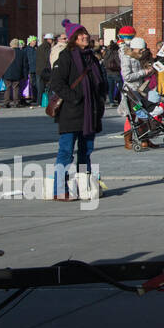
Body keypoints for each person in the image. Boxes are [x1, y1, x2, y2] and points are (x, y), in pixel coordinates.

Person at [49, 19, 107, 200]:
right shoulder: (66, 57)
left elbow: (100, 83)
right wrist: (75, 98)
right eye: (80, 34)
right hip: (71, 113)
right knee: (65, 152)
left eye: (86, 34)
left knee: (86, 152)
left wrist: (100, 100)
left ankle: (84, 187)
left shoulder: (91, 58)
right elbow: (56, 83)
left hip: (90, 114)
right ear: (73, 38)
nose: (85, 36)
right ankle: (59, 190)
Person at [2, 39, 26, 107]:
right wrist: (24, 74)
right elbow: (24, 65)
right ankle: (16, 102)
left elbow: (3, 63)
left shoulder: (6, 52)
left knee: (7, 88)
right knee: (16, 88)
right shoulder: (22, 53)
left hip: (7, 72)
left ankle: (6, 103)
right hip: (17, 73)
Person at [103, 40, 122, 104]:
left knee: (110, 88)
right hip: (116, 72)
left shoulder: (106, 53)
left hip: (108, 72)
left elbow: (104, 62)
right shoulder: (115, 53)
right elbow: (118, 62)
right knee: (120, 85)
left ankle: (111, 101)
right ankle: (120, 99)